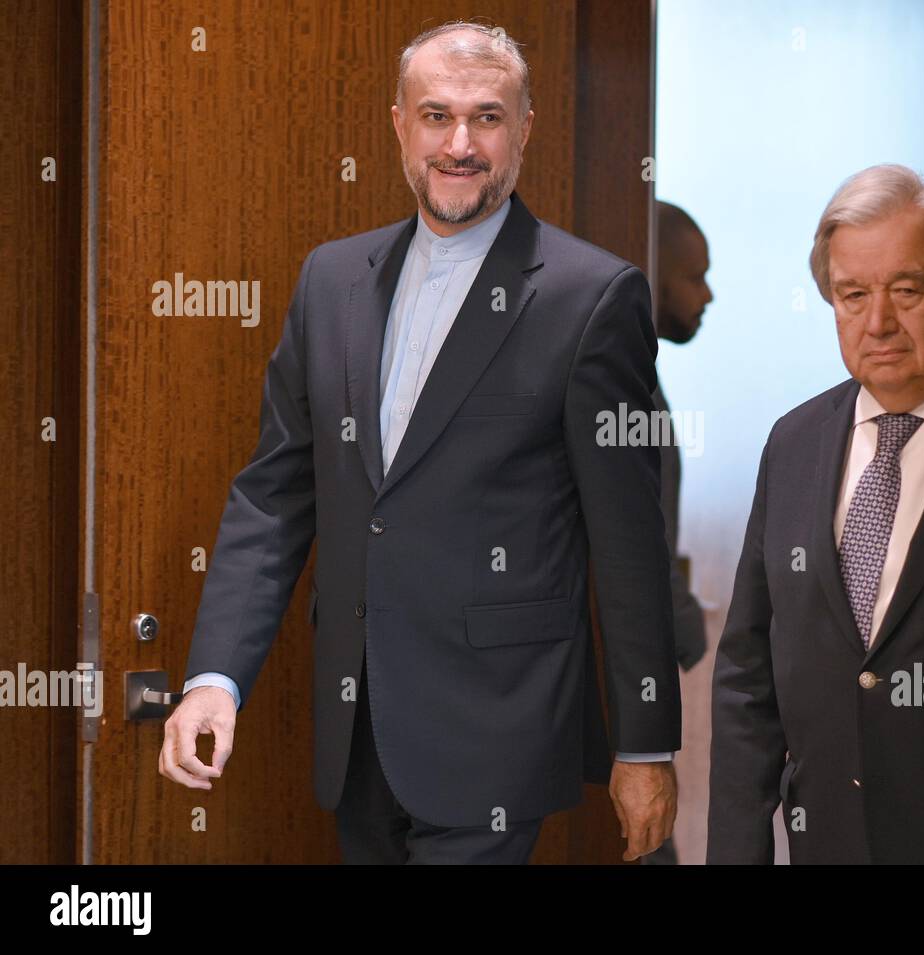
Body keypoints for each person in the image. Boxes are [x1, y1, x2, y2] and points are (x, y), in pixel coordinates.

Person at [158, 20, 681, 865]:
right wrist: (216, 677)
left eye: (487, 117)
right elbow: (275, 492)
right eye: (436, 115)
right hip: (355, 727)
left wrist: (646, 744)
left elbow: (629, 542)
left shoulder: (594, 297)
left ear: (525, 128)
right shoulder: (331, 280)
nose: (461, 143)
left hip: (500, 730)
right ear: (399, 124)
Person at [707, 164, 924, 864]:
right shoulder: (795, 442)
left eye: (906, 290)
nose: (878, 322)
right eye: (852, 294)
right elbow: (748, 671)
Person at [640, 201, 713, 865]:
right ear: (658, 277)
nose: (708, 293)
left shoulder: (648, 376)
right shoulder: (628, 383)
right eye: (696, 276)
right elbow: (638, 543)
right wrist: (690, 629)